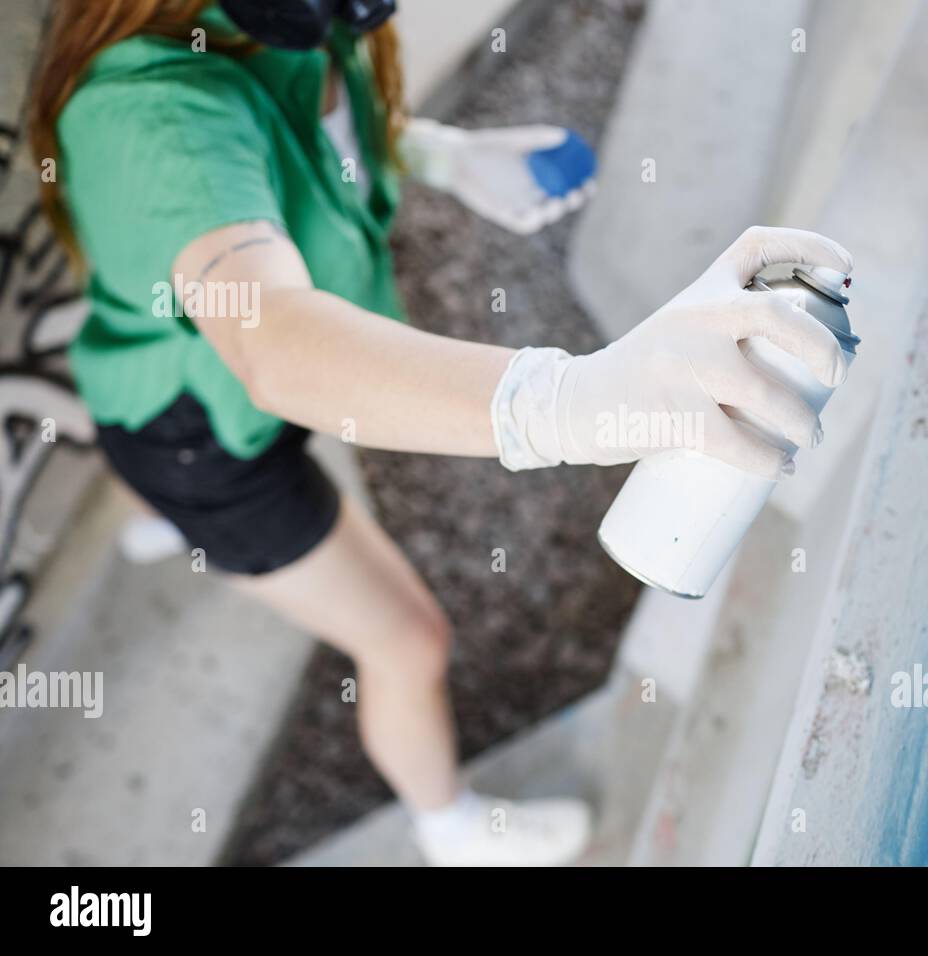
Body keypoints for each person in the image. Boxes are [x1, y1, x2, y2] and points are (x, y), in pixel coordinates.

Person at [29, 0, 852, 866]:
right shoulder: (151, 111)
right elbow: (274, 341)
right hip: (205, 444)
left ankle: (158, 523)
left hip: (154, 379)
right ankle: (452, 827)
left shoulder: (282, 18)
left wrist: (440, 155)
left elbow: (306, 135)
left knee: (149, 460)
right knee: (407, 640)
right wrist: (562, 401)